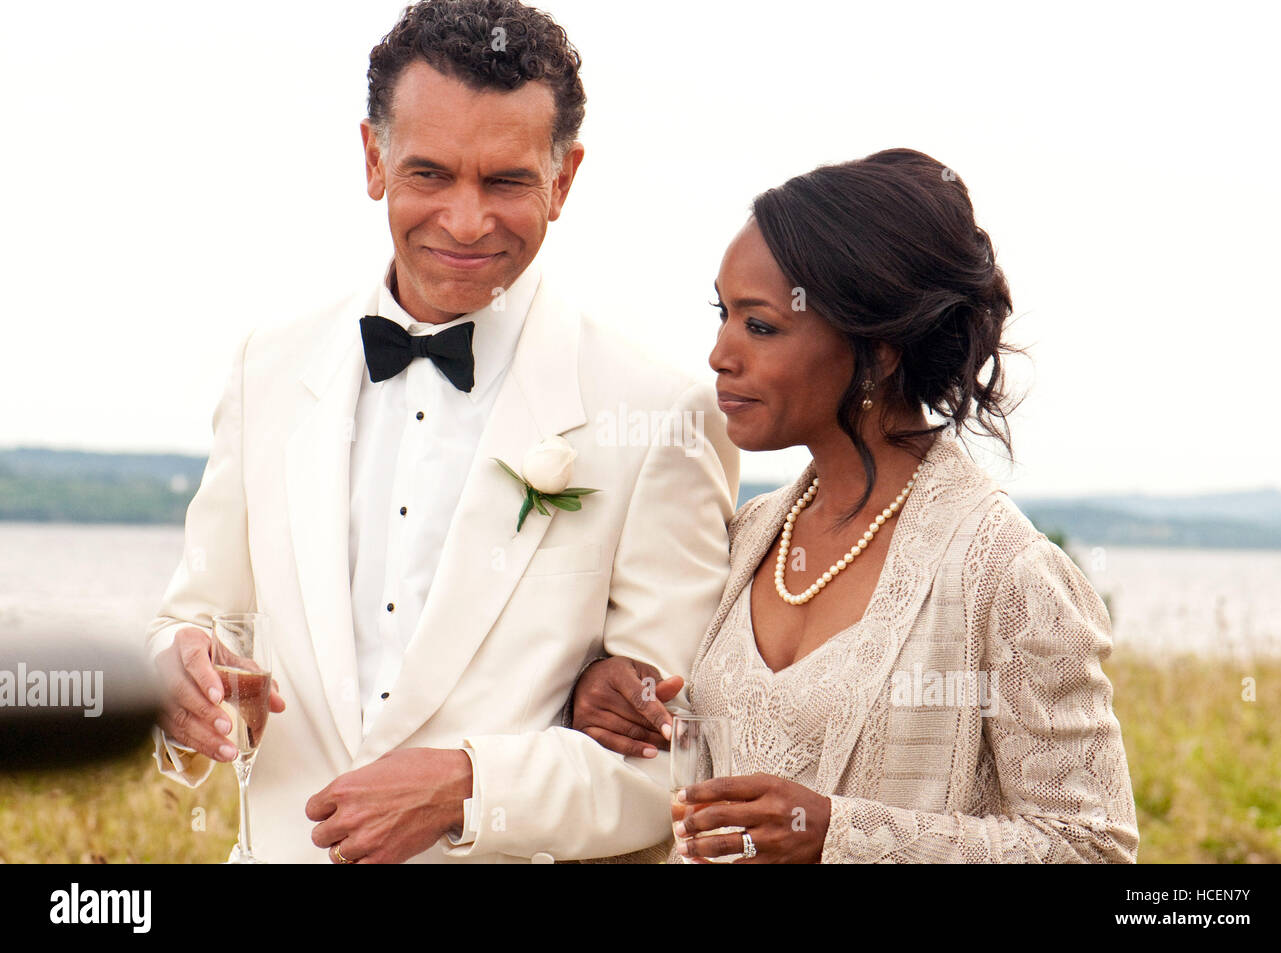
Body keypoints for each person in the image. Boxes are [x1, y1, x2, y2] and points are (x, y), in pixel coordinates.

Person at [146, 0, 738, 864]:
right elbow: (195, 615)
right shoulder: (263, 369)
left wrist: (471, 787)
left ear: (564, 180)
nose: (466, 222)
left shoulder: (662, 412)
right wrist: (179, 671)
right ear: (373, 159)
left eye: (505, 181)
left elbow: (676, 763)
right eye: (430, 175)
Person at [571, 148, 1140, 863]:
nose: (719, 353)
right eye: (723, 315)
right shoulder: (746, 538)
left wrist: (838, 834)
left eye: (761, 325)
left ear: (878, 348)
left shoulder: (1010, 576)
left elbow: (1092, 846)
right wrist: (611, 692)